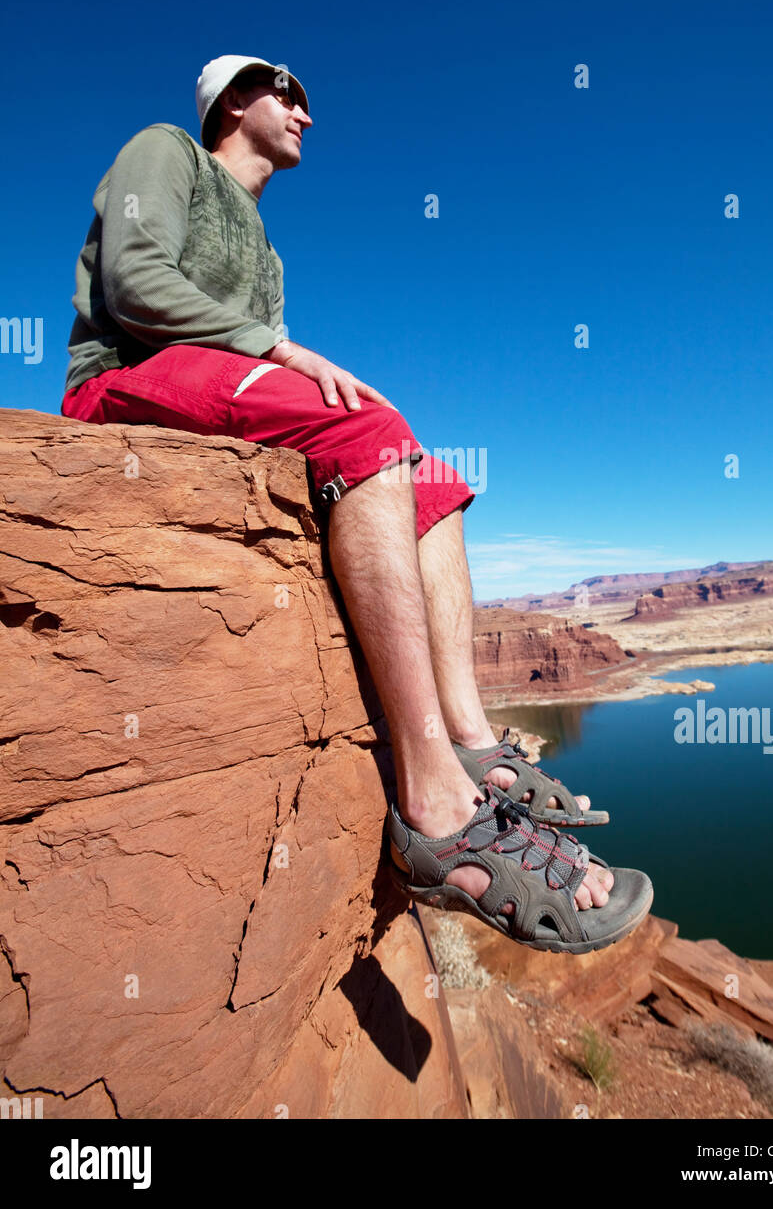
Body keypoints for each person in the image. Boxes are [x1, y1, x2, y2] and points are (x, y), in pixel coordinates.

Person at [60, 55, 652, 953]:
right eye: (285, 92)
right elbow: (134, 285)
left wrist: (280, 354)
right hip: (124, 380)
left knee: (435, 483)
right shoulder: (166, 150)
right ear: (232, 104)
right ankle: (436, 810)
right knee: (369, 433)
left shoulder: (264, 247)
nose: (305, 110)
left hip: (212, 384)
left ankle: (467, 741)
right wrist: (288, 355)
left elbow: (252, 351)